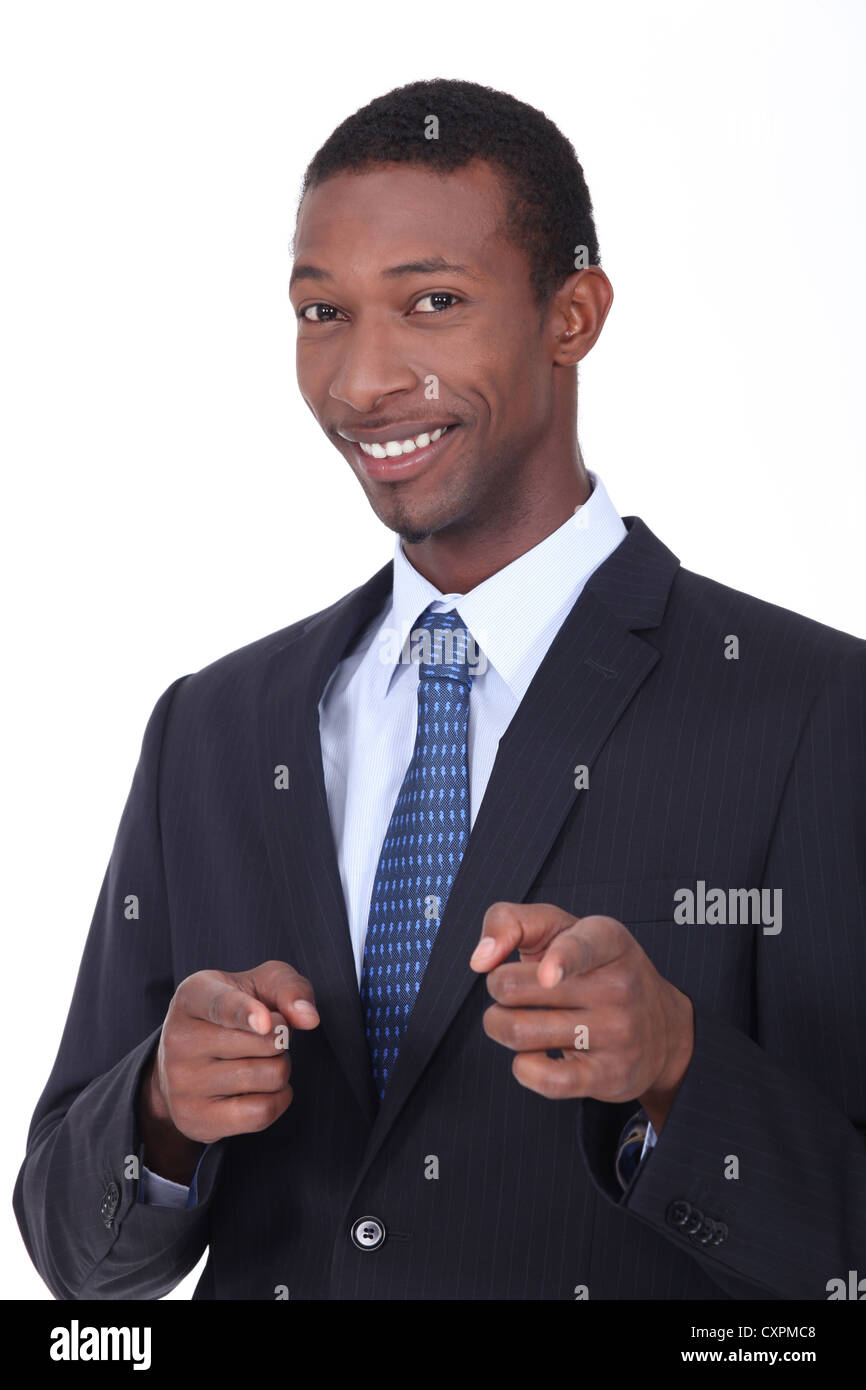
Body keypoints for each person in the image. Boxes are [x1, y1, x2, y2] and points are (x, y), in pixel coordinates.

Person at [13, 78, 866, 1301]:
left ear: (570, 315)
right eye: (321, 311)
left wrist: (676, 1066)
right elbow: (72, 1252)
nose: (361, 380)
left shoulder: (809, 712)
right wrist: (160, 1108)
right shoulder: (212, 725)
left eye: (432, 303)